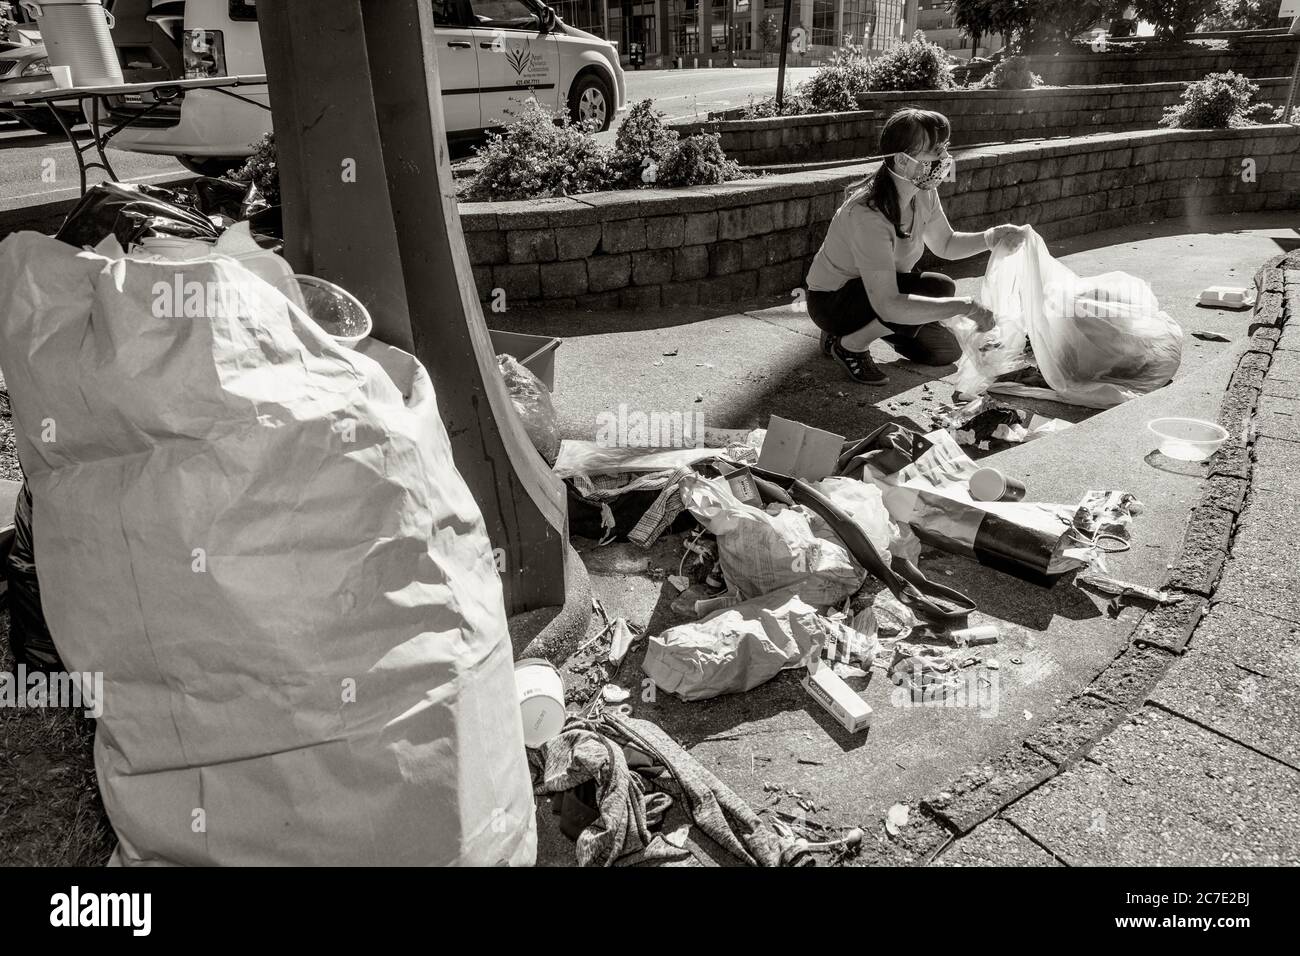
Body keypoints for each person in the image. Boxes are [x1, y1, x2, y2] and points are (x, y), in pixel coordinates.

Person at [805, 108, 1029, 385]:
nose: (945, 159)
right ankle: (850, 345)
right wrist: (966, 307)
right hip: (834, 301)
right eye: (935, 151)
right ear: (902, 160)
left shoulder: (923, 192)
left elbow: (945, 243)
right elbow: (888, 304)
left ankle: (852, 333)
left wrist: (992, 237)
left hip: (878, 291)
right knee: (936, 290)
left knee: (944, 352)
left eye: (945, 148)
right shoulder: (867, 215)